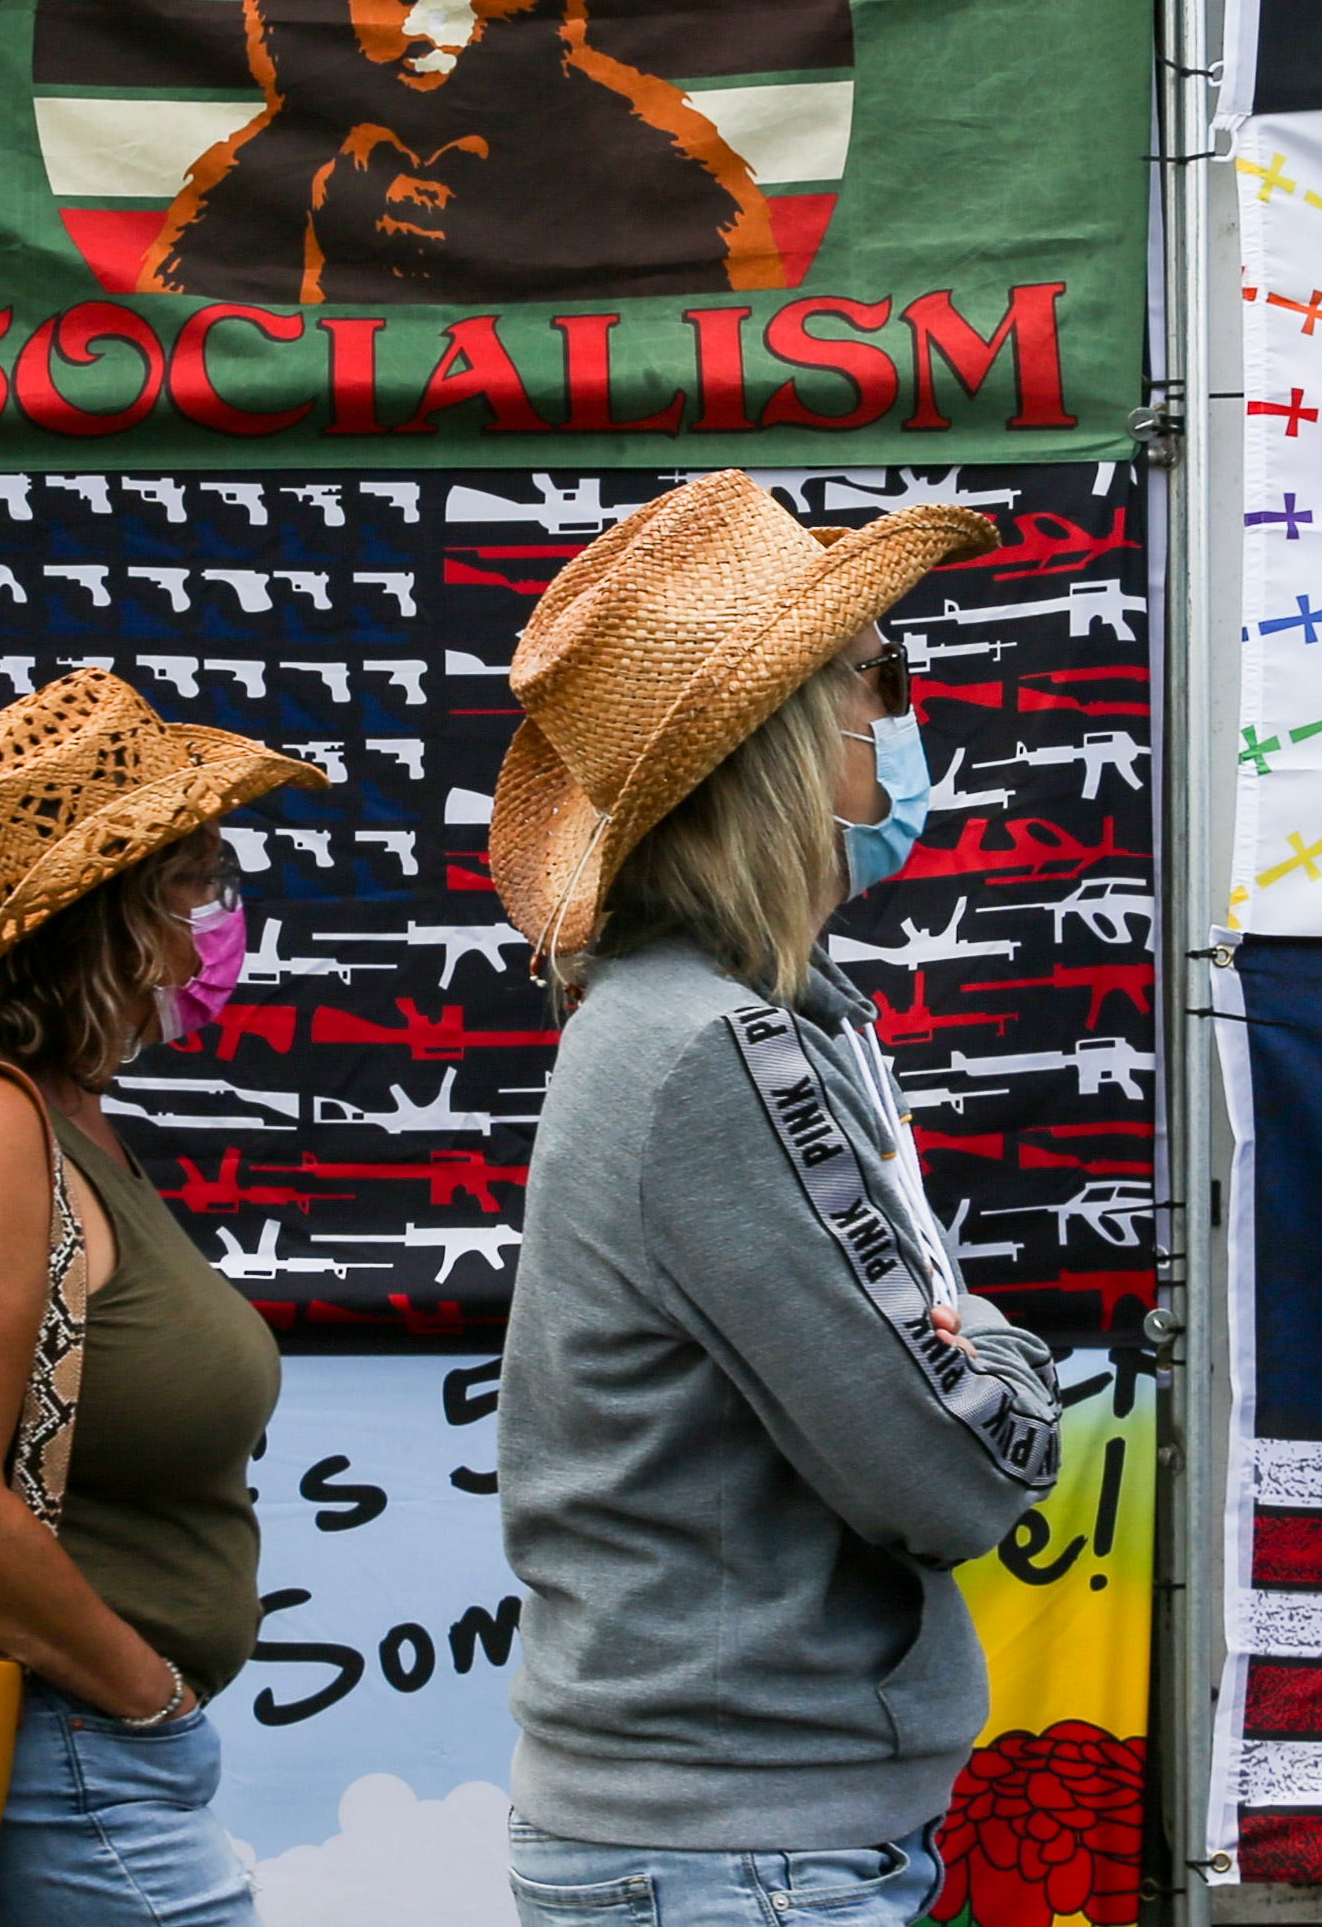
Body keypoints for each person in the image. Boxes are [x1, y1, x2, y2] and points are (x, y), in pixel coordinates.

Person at [488, 472, 1070, 1927]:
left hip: (737, 1843)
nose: (907, 720)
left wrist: (949, 1343)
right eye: (885, 677)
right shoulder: (711, 1049)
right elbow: (949, 1472)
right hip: (740, 1855)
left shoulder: (744, 1020)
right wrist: (998, 1355)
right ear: (797, 741)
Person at [0, 667, 327, 1927]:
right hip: (36, 1751)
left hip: (64, 1754)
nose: (221, 917)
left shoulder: (58, 1113)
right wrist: (143, 1697)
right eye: (202, 879)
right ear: (114, 912)